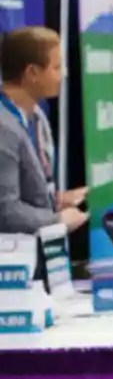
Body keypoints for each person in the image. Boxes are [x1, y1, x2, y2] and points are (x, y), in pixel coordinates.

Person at [0, 27, 87, 234]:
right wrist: (58, 220)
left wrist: (59, 199)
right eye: (56, 67)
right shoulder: (4, 128)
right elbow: (6, 211)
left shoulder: (36, 118)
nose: (63, 75)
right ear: (32, 73)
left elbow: (26, 192)